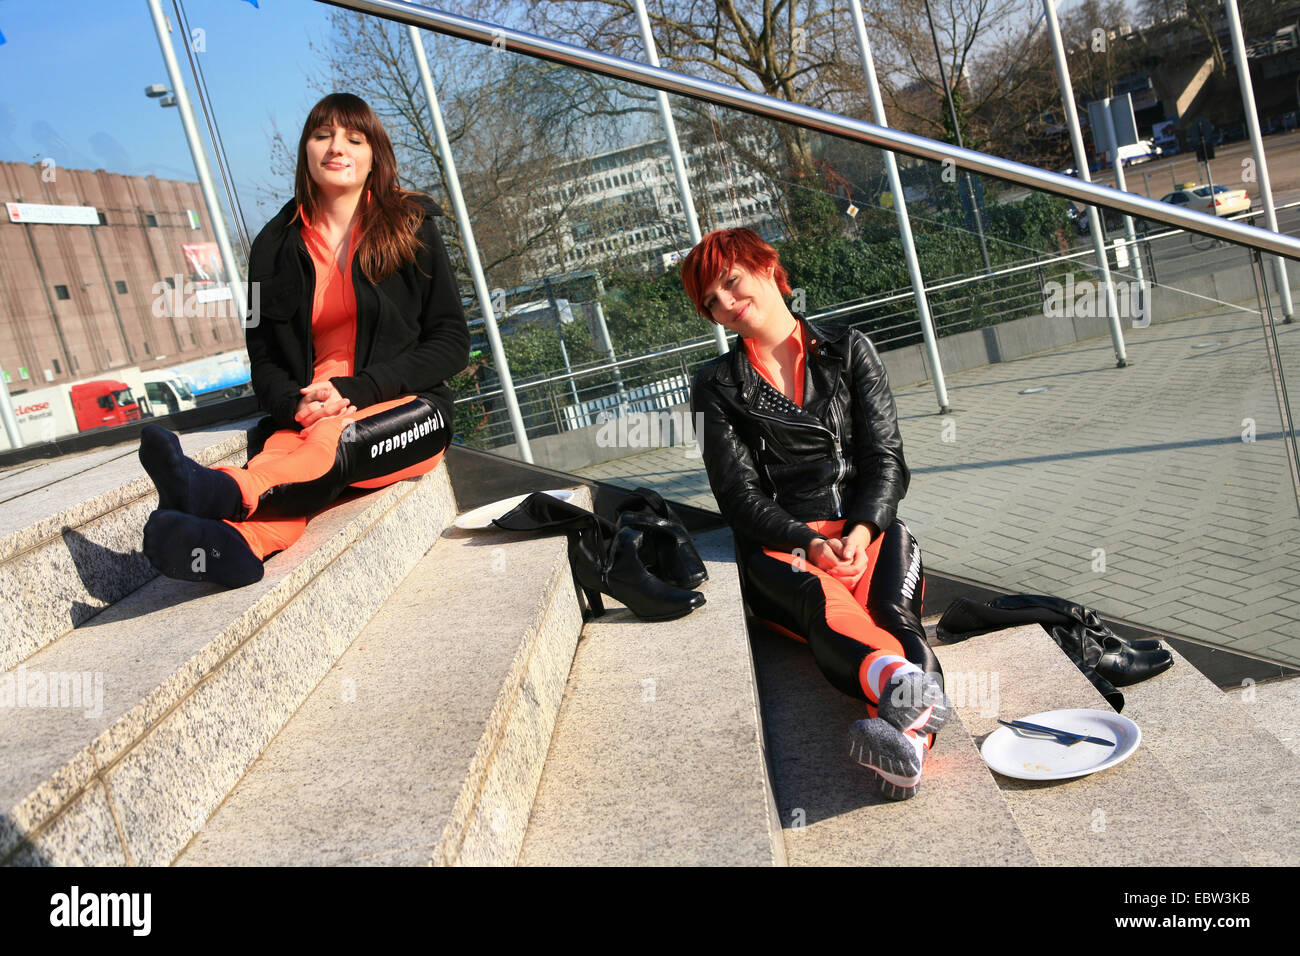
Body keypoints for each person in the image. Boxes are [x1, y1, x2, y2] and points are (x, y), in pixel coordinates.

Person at [138, 92, 469, 588]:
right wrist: (293, 405)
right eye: (322, 136)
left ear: (373, 154)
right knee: (284, 458)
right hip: (305, 415)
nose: (337, 148)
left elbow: (450, 342)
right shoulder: (271, 246)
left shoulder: (411, 224)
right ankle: (238, 548)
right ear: (306, 152)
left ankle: (220, 490)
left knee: (330, 441)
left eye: (353, 139)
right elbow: (264, 359)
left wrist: (356, 391)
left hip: (408, 411)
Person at [685, 228, 950, 801]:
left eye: (731, 282)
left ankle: (909, 751)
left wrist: (862, 528)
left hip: (870, 531)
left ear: (767, 266)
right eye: (711, 301)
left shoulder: (850, 348)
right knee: (820, 604)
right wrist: (810, 542)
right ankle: (903, 685)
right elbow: (738, 497)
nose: (726, 305)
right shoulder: (715, 386)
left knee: (893, 615)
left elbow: (887, 460)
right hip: (785, 549)